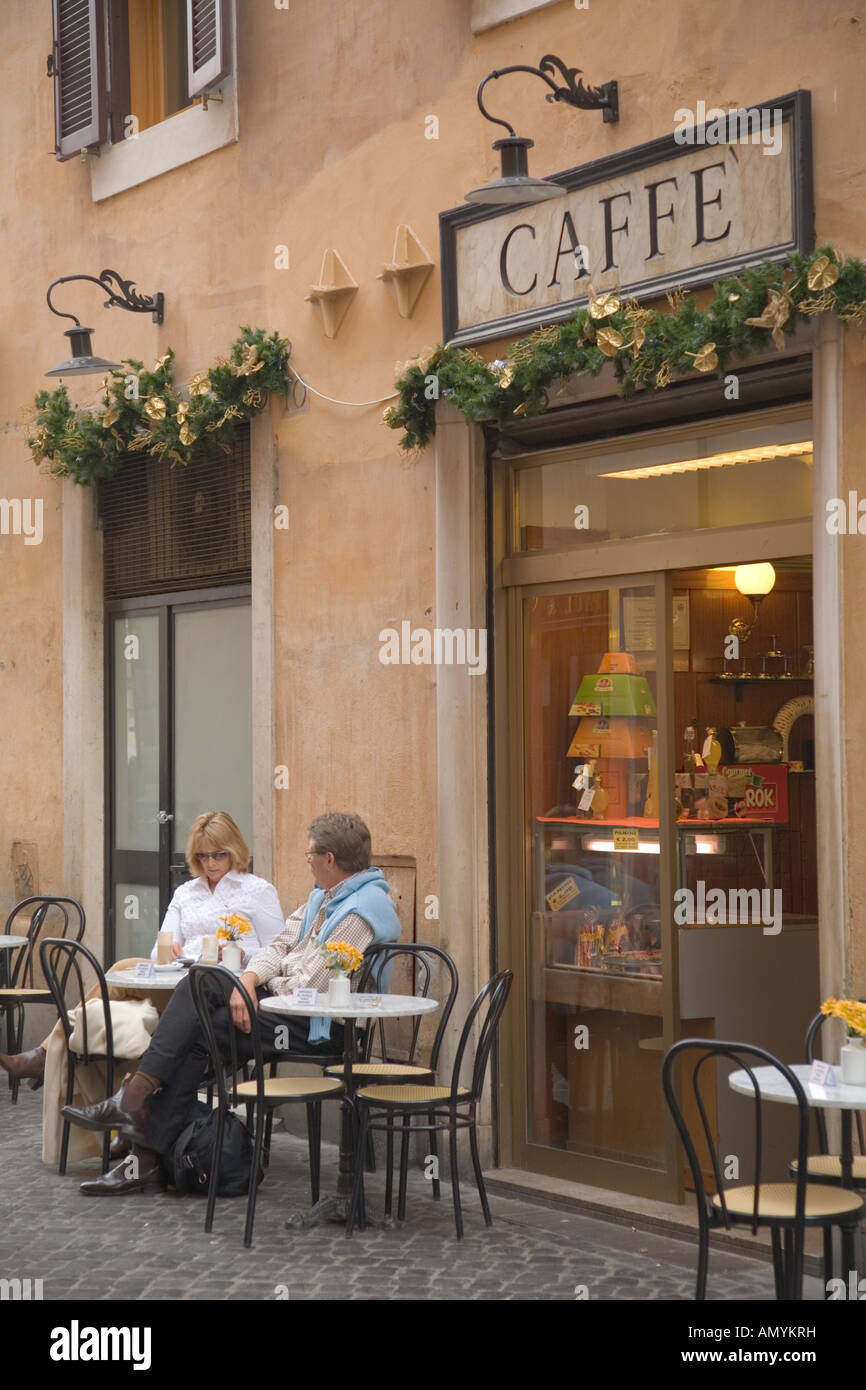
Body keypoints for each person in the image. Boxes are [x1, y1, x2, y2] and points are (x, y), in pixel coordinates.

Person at [61, 811, 402, 1196]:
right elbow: (277, 946)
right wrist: (249, 979)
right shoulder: (323, 898)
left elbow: (310, 981)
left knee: (198, 1033)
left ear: (329, 860)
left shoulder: (362, 910)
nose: (306, 861)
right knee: (201, 985)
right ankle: (140, 1125)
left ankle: (140, 1125)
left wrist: (262, 978)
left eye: (309, 855)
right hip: (283, 1007)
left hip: (319, 1026)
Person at [0, 810, 284, 1091]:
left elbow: (277, 951)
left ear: (234, 850)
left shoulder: (257, 891)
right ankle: (51, 1053)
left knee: (120, 982)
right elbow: (157, 949)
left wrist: (239, 951)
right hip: (179, 974)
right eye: (202, 856)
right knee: (123, 967)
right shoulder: (186, 892)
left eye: (217, 855)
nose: (209, 863)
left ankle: (45, 1056)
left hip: (221, 985)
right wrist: (169, 950)